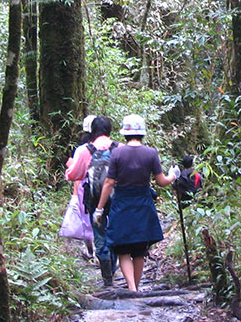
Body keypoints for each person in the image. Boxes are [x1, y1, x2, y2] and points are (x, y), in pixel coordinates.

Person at [93, 114, 180, 292]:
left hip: (121, 204)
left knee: (123, 248)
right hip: (143, 203)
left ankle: (132, 288)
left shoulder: (117, 153)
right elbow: (162, 181)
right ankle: (136, 288)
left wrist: (99, 208)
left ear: (125, 133)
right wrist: (174, 175)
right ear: (143, 133)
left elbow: (109, 182)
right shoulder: (151, 153)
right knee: (139, 249)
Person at [65, 115, 118, 285]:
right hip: (116, 197)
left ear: (92, 131)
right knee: (115, 230)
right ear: (109, 131)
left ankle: (107, 278)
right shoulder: (119, 148)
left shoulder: (84, 150)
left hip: (94, 198)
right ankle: (115, 263)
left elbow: (74, 175)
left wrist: (69, 167)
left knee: (99, 232)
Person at [61, 115, 97, 259]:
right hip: (104, 188)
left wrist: (75, 195)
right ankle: (103, 254)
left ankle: (91, 251)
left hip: (84, 188)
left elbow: (77, 174)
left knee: (86, 220)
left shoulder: (82, 149)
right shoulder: (108, 147)